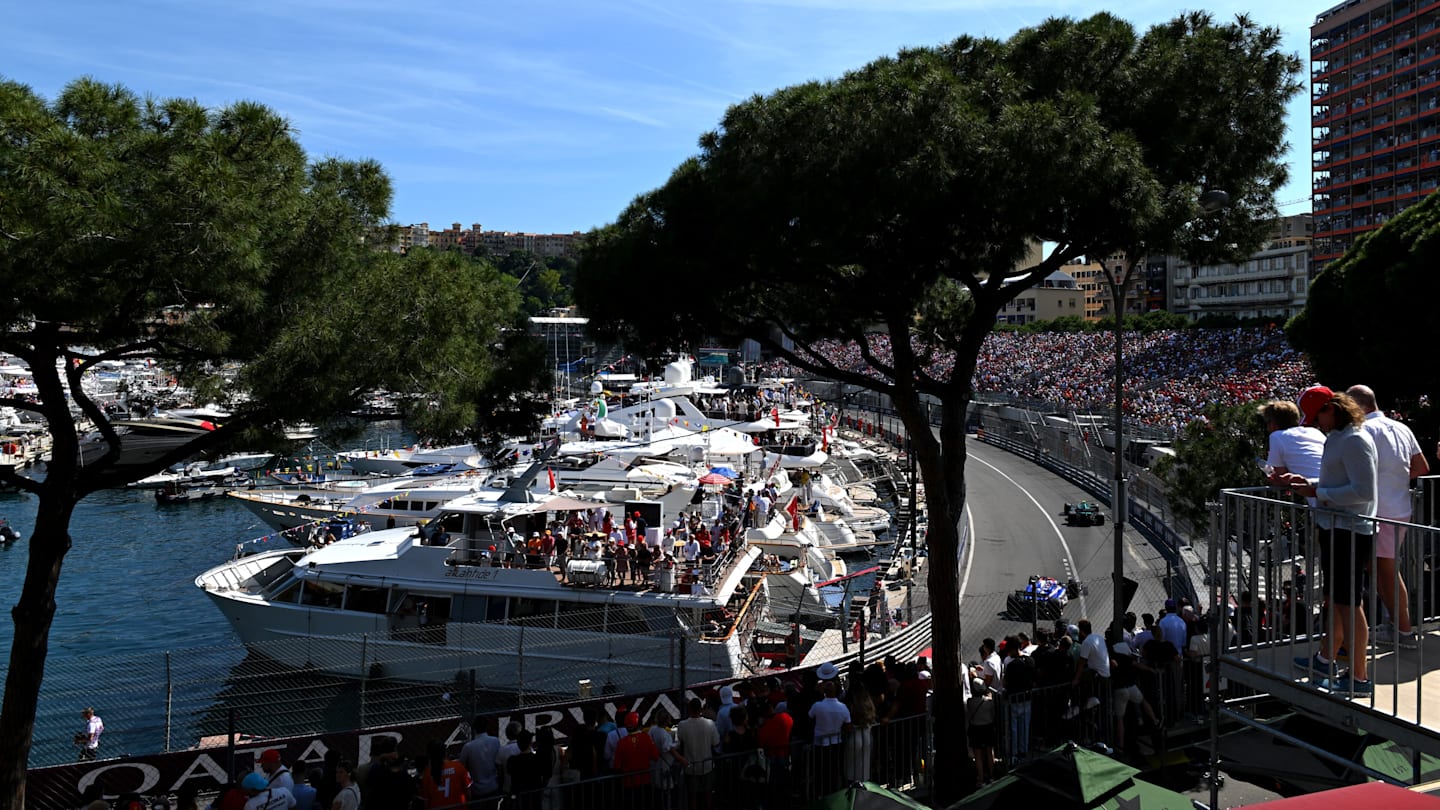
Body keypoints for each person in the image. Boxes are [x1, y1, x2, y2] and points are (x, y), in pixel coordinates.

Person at [1280, 386, 1378, 695]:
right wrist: (1307, 483)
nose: (1316, 424)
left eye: (1317, 417)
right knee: (1339, 601)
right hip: (1337, 527)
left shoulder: (1354, 440)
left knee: (1350, 604)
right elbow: (1339, 482)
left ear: (1331, 409)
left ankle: (1359, 678)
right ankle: (1328, 659)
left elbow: (1364, 492)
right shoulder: (1339, 437)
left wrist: (1317, 493)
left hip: (1350, 530)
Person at [1348, 385, 1429, 649]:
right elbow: (1421, 466)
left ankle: (1402, 631)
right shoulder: (1401, 427)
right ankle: (1399, 627)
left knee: (1386, 572)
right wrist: (1393, 481)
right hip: (1400, 507)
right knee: (1385, 570)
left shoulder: (1364, 431)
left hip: (1378, 511)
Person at [676, 698, 719, 810]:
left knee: (692, 796)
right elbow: (716, 742)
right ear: (701, 709)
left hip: (691, 766)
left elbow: (678, 743)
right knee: (708, 794)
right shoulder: (710, 724)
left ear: (689, 709)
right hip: (707, 765)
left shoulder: (682, 725)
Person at [458, 716, 502, 803]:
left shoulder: (468, 747)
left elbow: (461, 766)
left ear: (474, 728)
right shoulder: (495, 741)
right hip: (493, 786)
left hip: (477, 790)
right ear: (487, 727)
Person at [965, 677, 998, 785]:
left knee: (977, 755)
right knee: (990, 752)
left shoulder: (970, 702)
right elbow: (993, 714)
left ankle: (980, 778)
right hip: (988, 727)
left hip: (976, 728)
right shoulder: (989, 702)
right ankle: (992, 776)